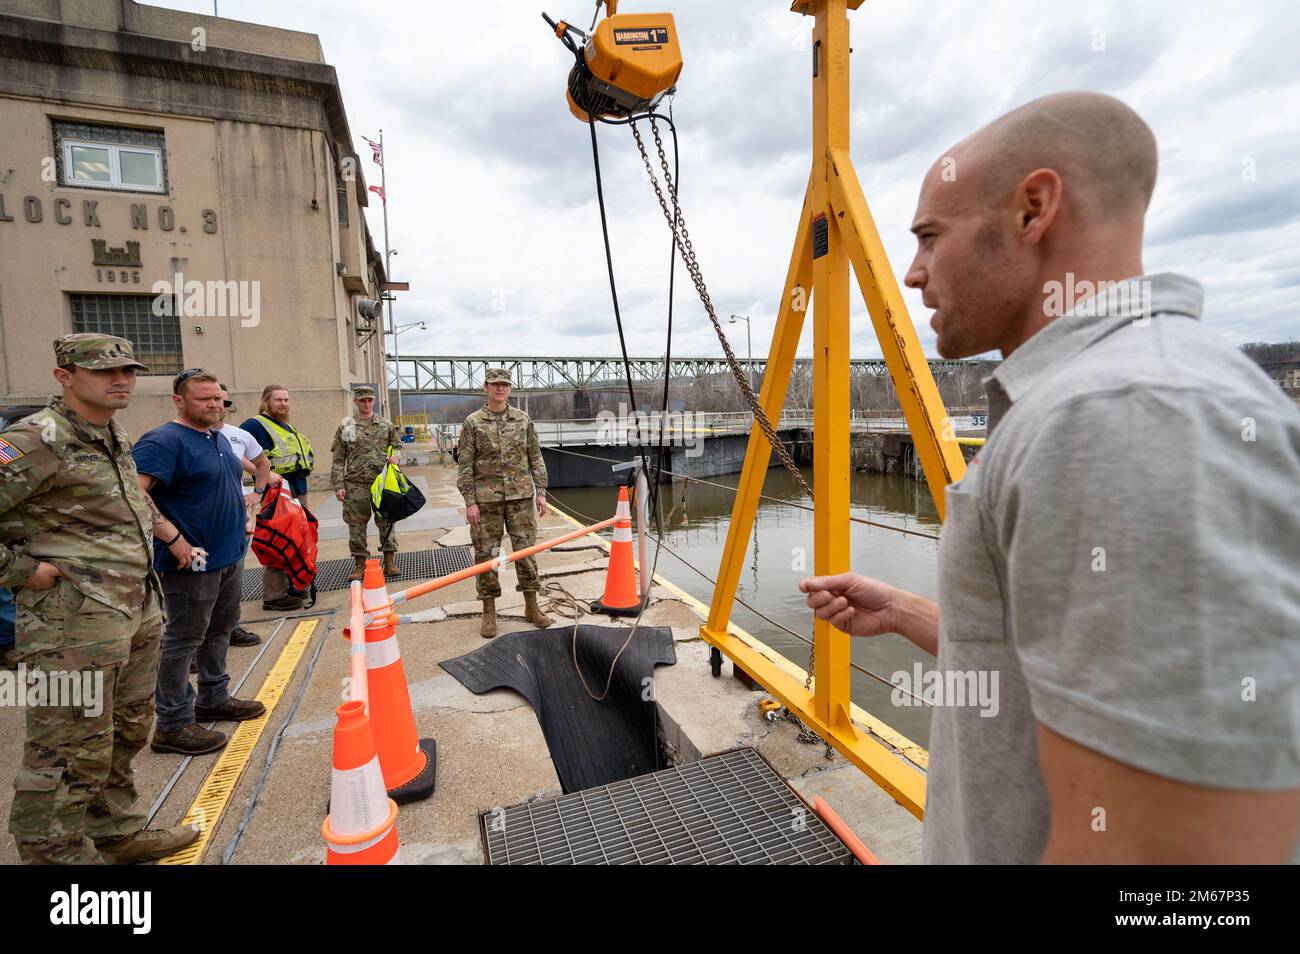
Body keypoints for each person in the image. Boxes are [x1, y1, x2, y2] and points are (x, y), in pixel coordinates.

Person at [800, 91, 1300, 864]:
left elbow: (1171, 867)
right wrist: (903, 610)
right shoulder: (1087, 401)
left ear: (1033, 210)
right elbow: (1046, 663)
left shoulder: (1124, 413)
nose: (912, 272)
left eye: (931, 236)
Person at [0, 334, 199, 864]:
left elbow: (130, 508)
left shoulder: (109, 431)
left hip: (130, 610)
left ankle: (116, 832)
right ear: (65, 375)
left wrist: (172, 542)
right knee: (66, 747)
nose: (121, 381)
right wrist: (21, 570)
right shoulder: (35, 439)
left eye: (129, 371)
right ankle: (55, 861)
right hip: (70, 626)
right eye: (104, 372)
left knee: (127, 729)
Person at [134, 369, 266, 756]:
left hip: (227, 555)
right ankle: (172, 725)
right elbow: (136, 495)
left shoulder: (219, 438)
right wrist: (174, 540)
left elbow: (239, 480)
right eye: (204, 399)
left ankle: (214, 697)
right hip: (192, 560)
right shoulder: (164, 441)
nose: (214, 405)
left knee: (220, 629)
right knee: (183, 638)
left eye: (219, 399)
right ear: (179, 400)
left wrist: (246, 516)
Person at [457, 368, 553, 638]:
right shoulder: (472, 423)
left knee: (525, 553)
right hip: (485, 502)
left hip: (521, 498)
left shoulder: (523, 420)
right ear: (485, 387)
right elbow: (464, 465)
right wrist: (470, 502)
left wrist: (541, 492)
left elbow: (535, 456)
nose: (500, 389)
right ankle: (489, 612)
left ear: (510, 389)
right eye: (495, 384)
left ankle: (531, 607)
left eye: (505, 385)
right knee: (486, 556)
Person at [214, 384, 279, 646]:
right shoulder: (177, 437)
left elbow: (263, 465)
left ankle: (231, 627)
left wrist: (257, 494)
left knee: (233, 575)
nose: (218, 407)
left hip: (237, 516)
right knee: (201, 583)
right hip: (200, 522)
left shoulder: (238, 435)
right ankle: (197, 644)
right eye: (211, 399)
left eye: (224, 403)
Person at [241, 385, 314, 611]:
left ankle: (294, 586)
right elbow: (235, 450)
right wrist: (262, 473)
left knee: (298, 539)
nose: (283, 404)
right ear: (265, 402)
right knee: (279, 540)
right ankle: (274, 595)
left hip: (294, 491)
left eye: (286, 400)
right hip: (276, 494)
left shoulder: (286, 426)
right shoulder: (254, 425)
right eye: (278, 400)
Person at [330, 386, 402, 582]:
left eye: (370, 400)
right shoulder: (347, 427)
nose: (366, 404)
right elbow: (338, 458)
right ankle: (360, 562)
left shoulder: (386, 425)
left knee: (386, 521)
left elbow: (397, 446)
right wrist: (338, 485)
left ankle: (389, 559)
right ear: (356, 402)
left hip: (381, 482)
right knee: (356, 525)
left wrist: (396, 457)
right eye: (362, 400)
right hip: (355, 484)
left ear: (374, 401)